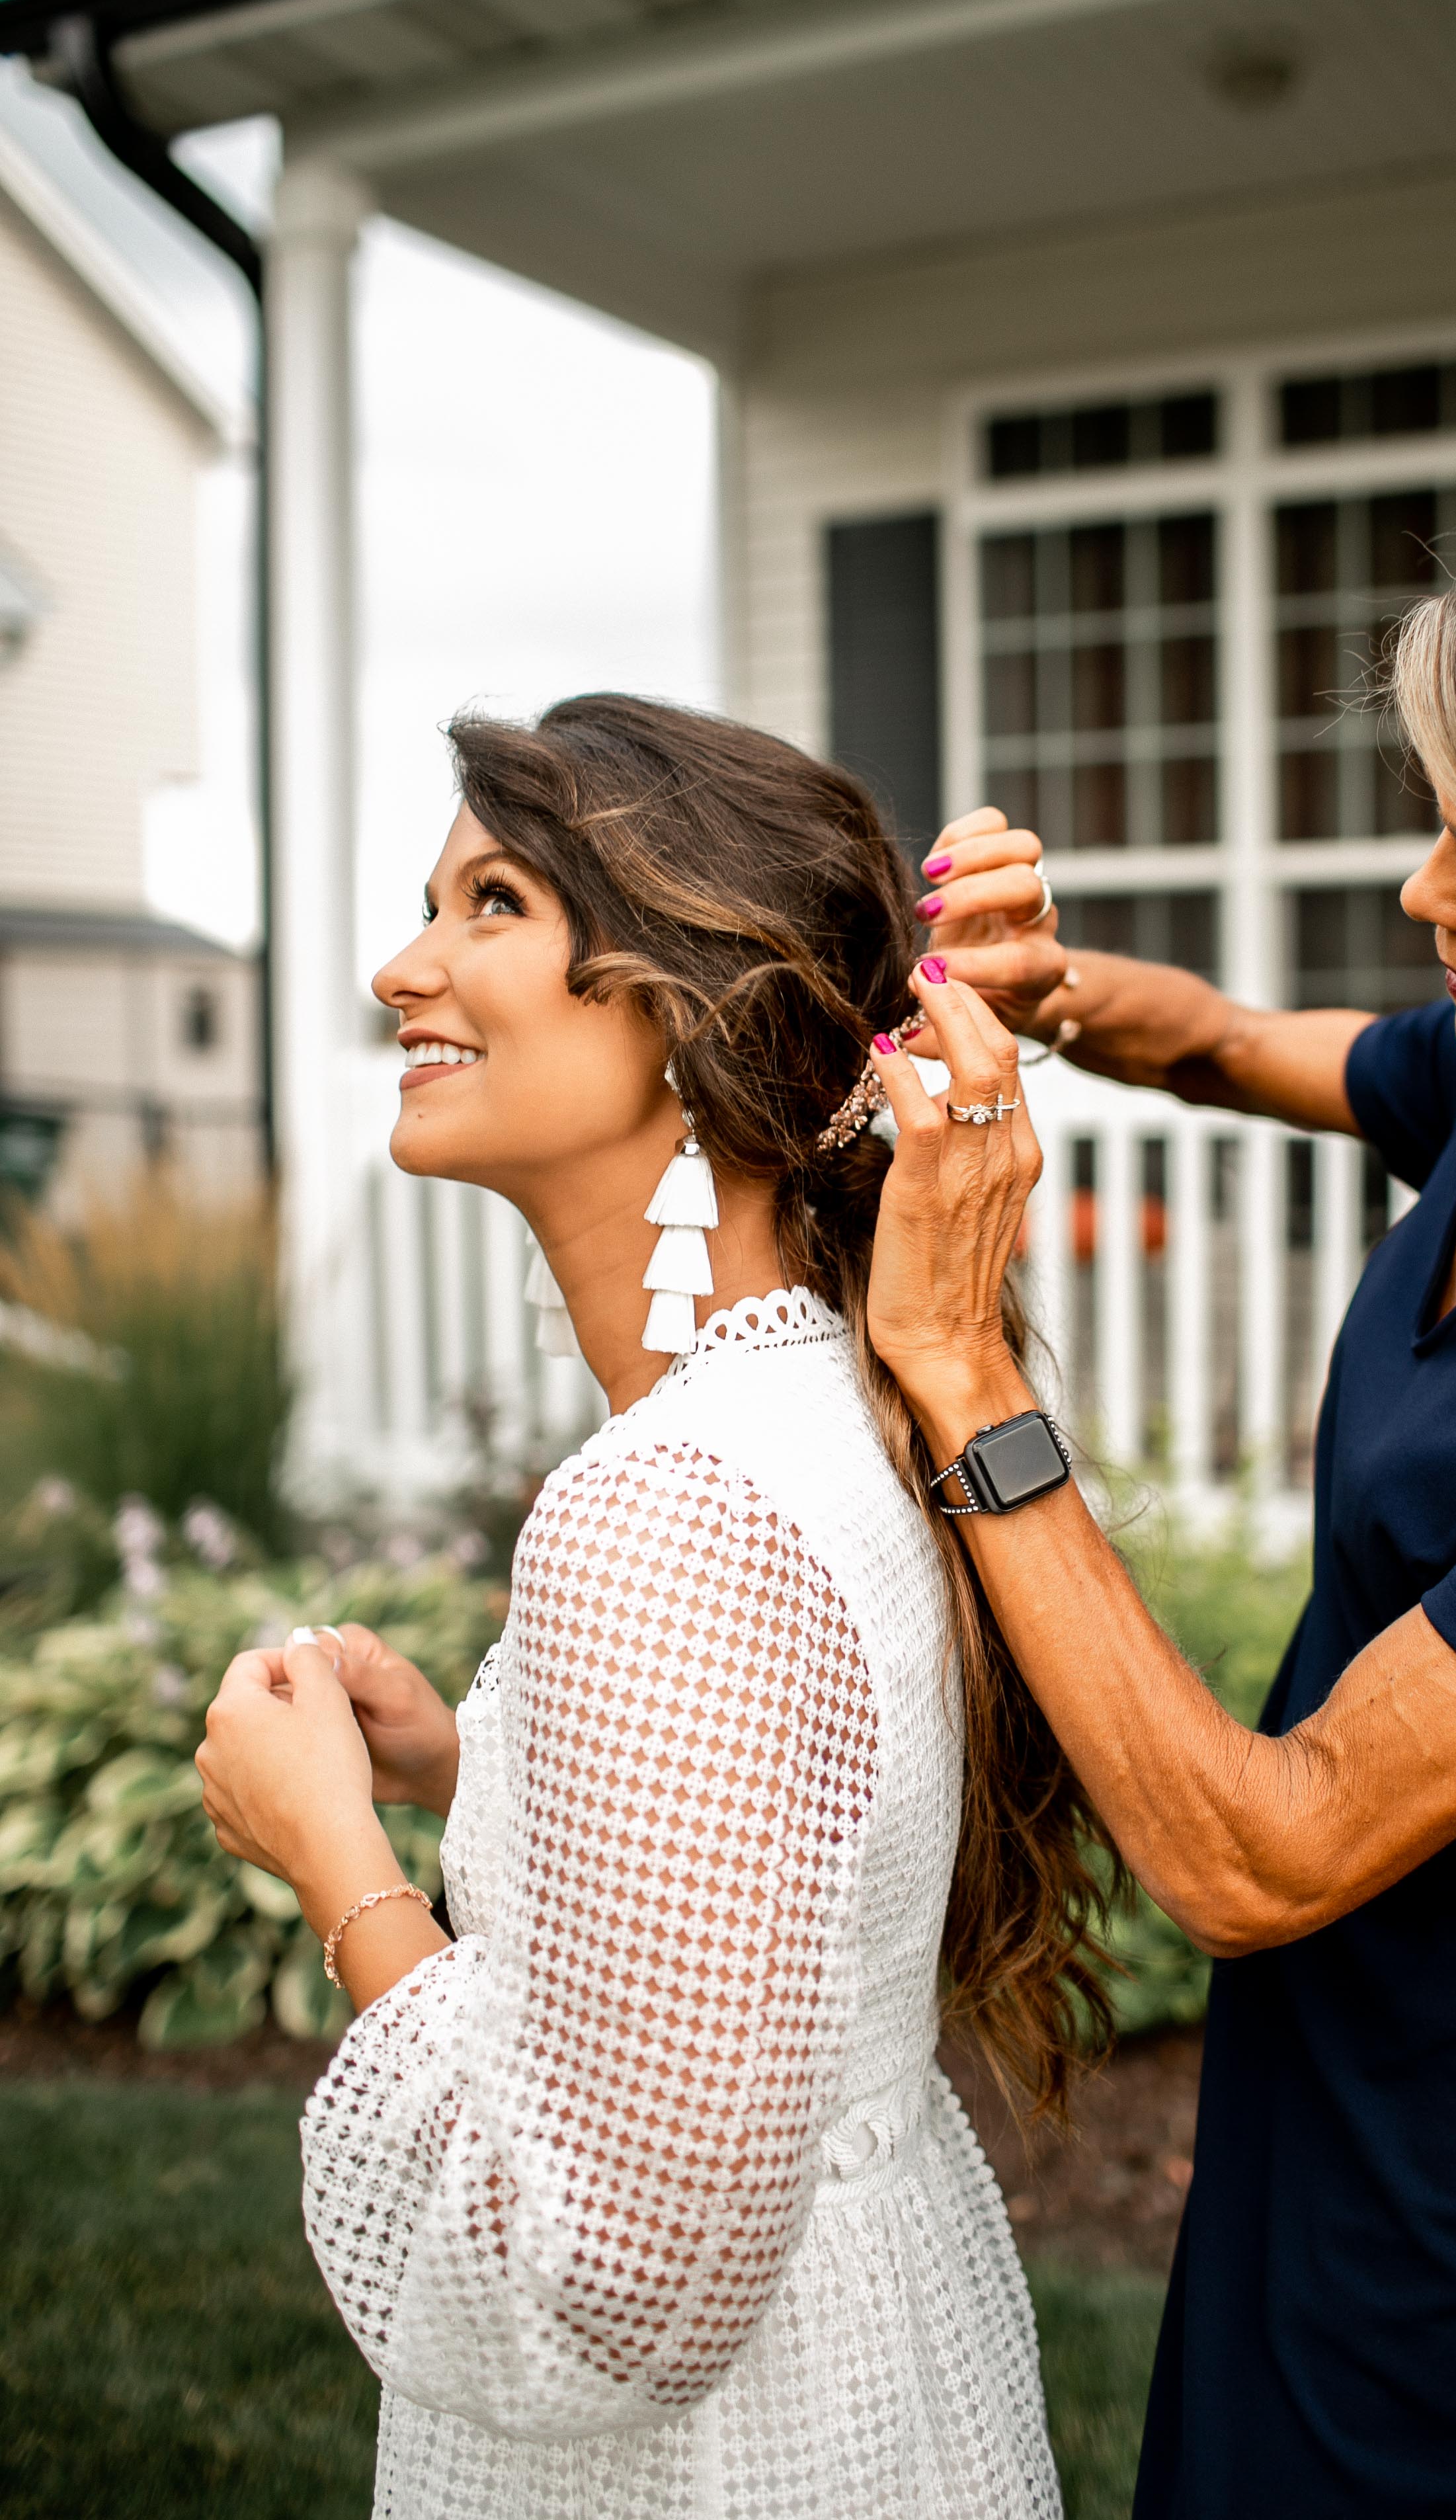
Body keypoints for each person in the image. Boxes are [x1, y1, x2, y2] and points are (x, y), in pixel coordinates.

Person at [862, 445, 1456, 2520]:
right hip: (1336, 2034)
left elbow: (1260, 1857)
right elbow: (1218, 1043)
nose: (1425, 901)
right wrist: (1036, 983)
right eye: (1442, 834)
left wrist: (964, 1363)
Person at [194, 696, 1116, 2520]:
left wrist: (335, 1870)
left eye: (491, 907)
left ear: (678, 999)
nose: (402, 969)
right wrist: (495, 1769)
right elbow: (780, 1890)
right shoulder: (840, 1401)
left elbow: (617, 2289)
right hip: (864, 2378)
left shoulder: (670, 1501)